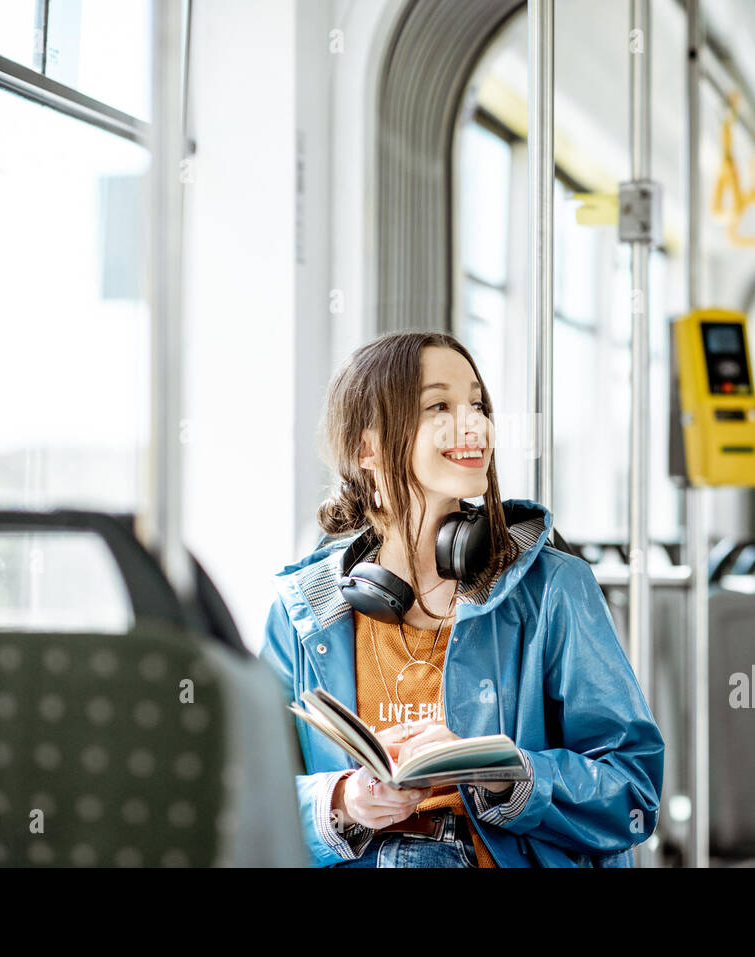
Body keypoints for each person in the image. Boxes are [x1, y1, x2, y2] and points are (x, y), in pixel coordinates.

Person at [260, 331, 664, 867]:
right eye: (439, 406)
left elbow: (632, 793)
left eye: (477, 404)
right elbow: (251, 794)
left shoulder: (552, 589)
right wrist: (343, 800)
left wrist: (507, 777)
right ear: (367, 447)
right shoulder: (303, 612)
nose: (473, 424)